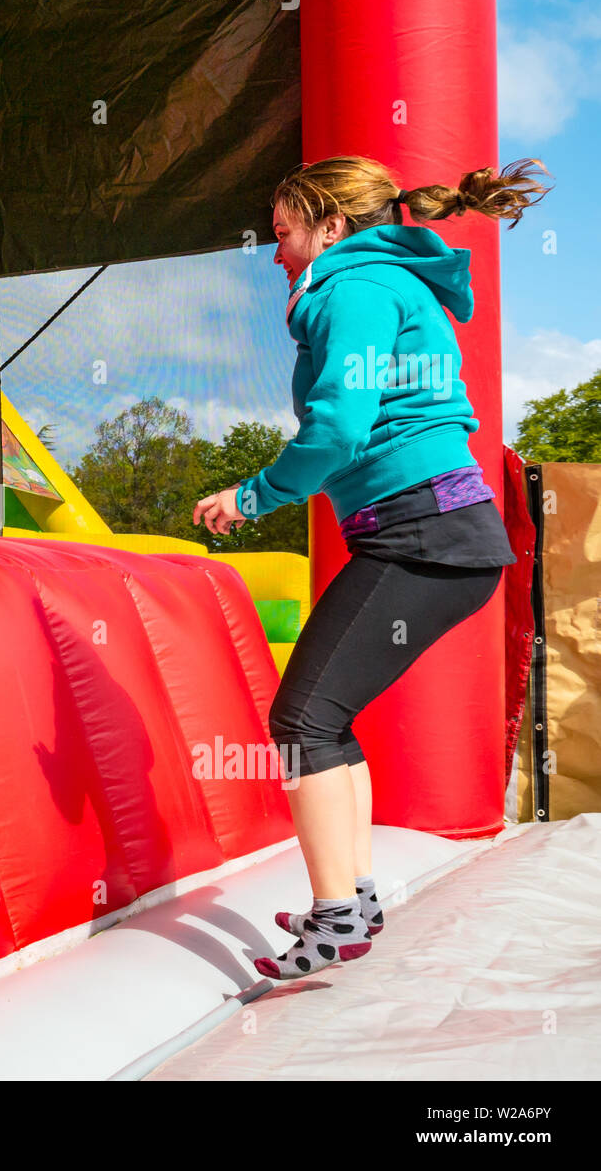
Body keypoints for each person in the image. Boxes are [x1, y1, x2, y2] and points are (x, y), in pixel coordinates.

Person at [192, 155, 552, 979]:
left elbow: (342, 425)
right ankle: (350, 896)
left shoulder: (351, 289)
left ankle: (336, 916)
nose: (274, 253)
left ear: (330, 228)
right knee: (328, 712)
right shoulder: (389, 283)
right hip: (433, 532)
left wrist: (253, 496)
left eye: (283, 233)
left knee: (303, 718)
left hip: (423, 532)